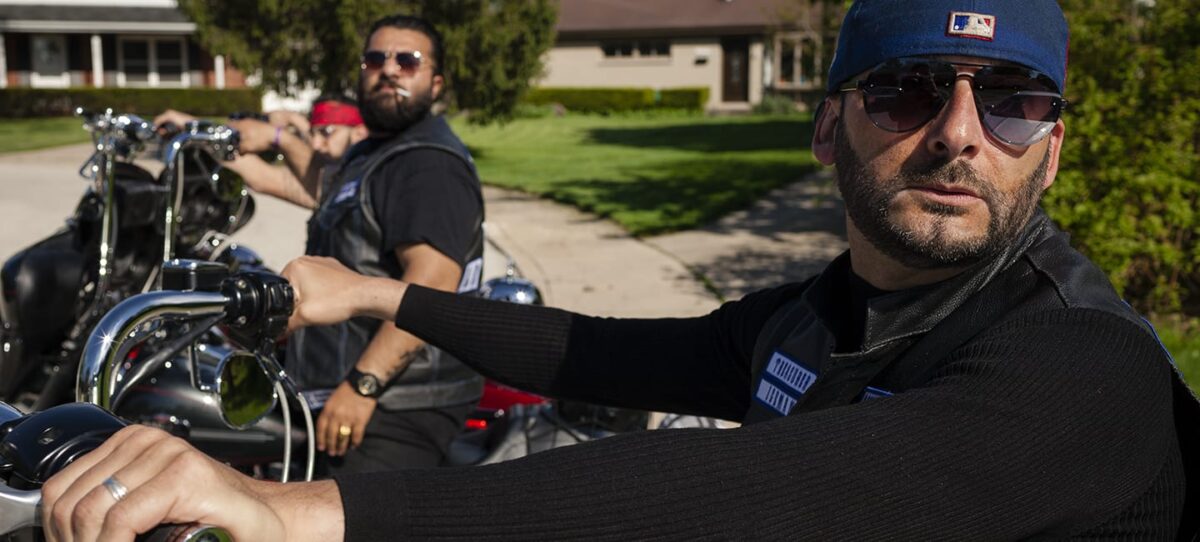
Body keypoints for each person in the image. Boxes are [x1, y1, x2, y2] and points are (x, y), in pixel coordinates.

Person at [40, 1, 1199, 541]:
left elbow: (771, 491)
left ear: (1051, 148)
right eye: (907, 88)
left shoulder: (1080, 367)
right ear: (827, 127)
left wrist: (293, 510)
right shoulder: (835, 310)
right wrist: (383, 292)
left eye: (1009, 100)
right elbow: (598, 349)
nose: (958, 132)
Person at [156, 15, 487, 475]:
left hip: (400, 406)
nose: (388, 69)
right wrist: (202, 131)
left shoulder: (426, 165)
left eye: (407, 61)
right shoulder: (377, 155)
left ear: (435, 83)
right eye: (376, 58)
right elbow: (316, 185)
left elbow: (431, 288)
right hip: (354, 392)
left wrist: (362, 388)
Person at [154, 94, 368, 210]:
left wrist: (279, 137)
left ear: (359, 133)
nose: (317, 144)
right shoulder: (327, 176)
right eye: (313, 134)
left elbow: (324, 189)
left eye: (327, 132)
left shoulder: (368, 179)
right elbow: (259, 176)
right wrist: (192, 128)